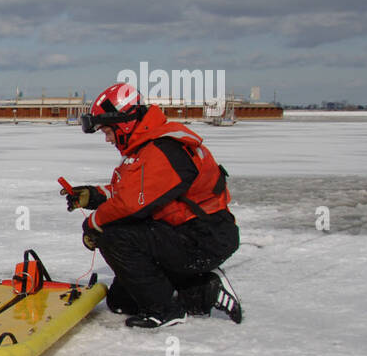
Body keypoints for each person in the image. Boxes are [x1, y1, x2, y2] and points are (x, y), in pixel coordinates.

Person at [64, 82, 242, 330]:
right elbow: (131, 192)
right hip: (183, 232)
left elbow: (131, 205)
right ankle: (200, 290)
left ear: (123, 124)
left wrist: (93, 223)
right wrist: (93, 196)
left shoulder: (163, 149)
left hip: (205, 236)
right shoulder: (149, 147)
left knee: (115, 236)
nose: (107, 139)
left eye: (108, 131)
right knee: (121, 303)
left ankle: (165, 310)